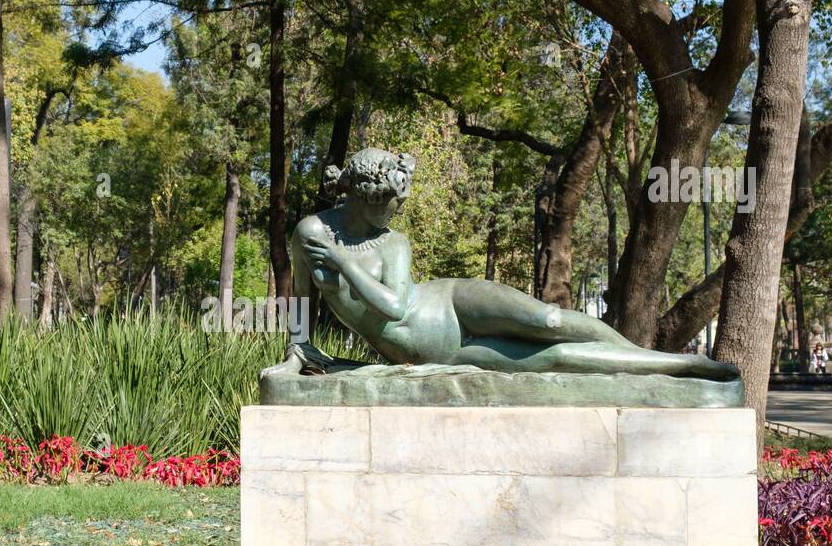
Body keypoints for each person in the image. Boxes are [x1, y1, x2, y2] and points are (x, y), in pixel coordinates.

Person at [289, 148, 740, 381]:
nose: (395, 212)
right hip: (437, 352)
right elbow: (300, 293)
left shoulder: (392, 244)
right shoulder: (313, 232)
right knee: (557, 358)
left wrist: (343, 262)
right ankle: (680, 368)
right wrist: (299, 346)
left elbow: (395, 305)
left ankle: (658, 361)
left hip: (449, 303)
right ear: (365, 197)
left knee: (549, 319)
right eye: (389, 203)